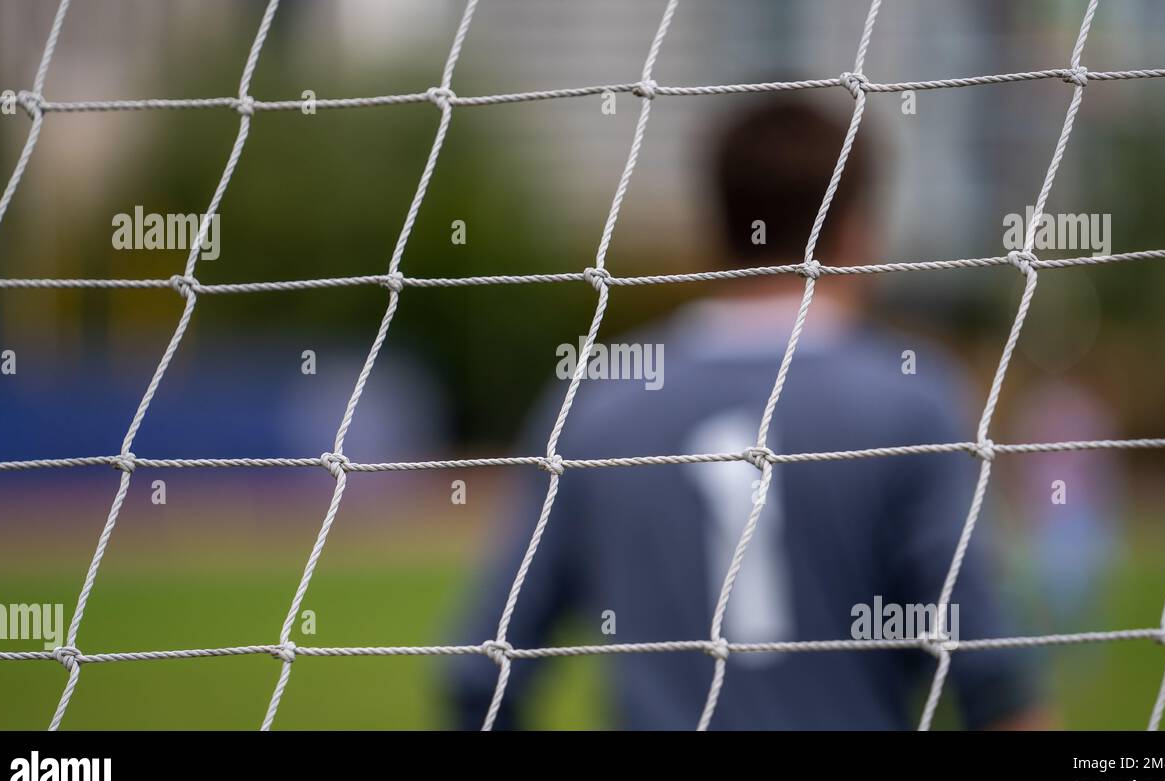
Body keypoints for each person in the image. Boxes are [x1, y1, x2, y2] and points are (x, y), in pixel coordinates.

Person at [445, 98, 1042, 730]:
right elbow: (994, 681)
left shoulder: (597, 404)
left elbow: (481, 673)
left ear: (715, 224)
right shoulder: (913, 400)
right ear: (858, 230)